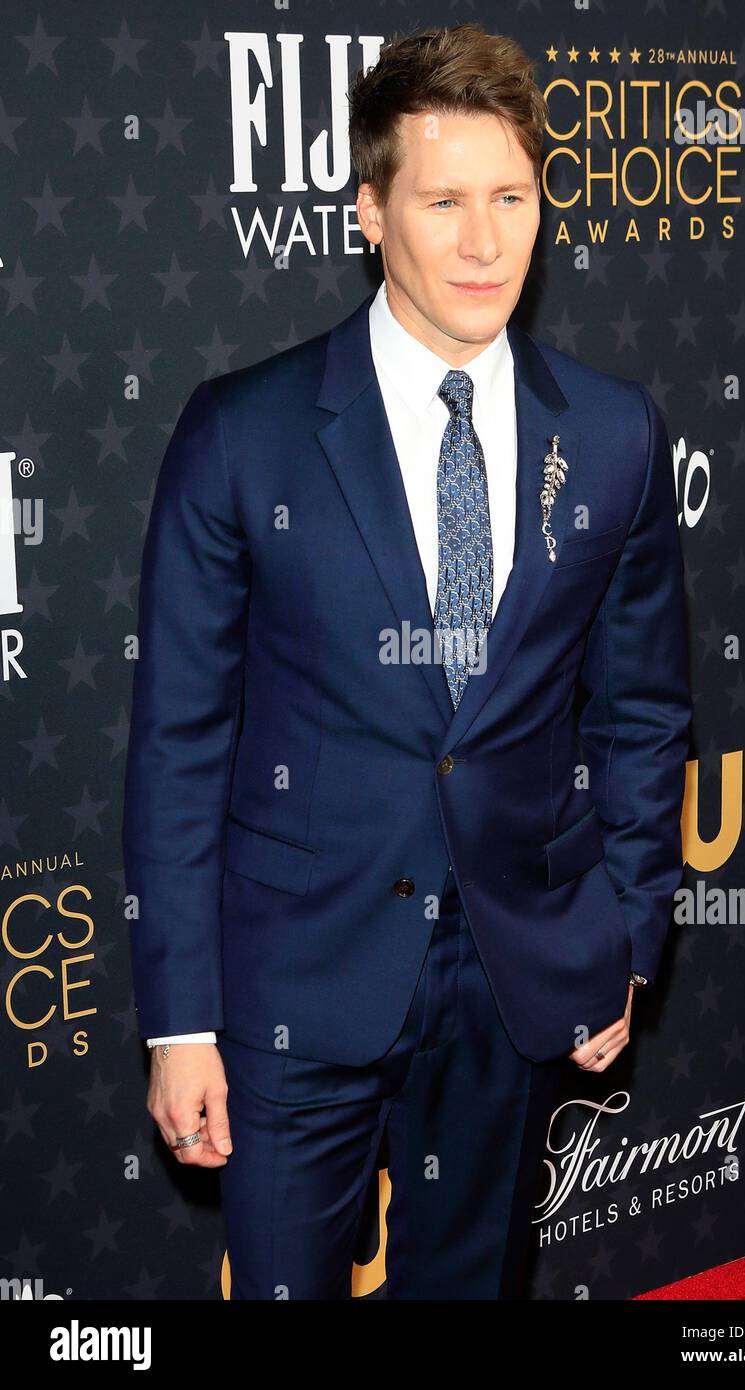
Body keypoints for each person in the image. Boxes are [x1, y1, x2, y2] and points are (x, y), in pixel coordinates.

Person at [122, 22, 692, 1300]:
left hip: (512, 974)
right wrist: (180, 1019)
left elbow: (646, 712)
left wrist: (625, 933)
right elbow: (178, 740)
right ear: (370, 211)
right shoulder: (243, 433)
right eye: (442, 201)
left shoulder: (611, 434)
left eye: (511, 197)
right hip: (293, 976)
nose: (485, 242)